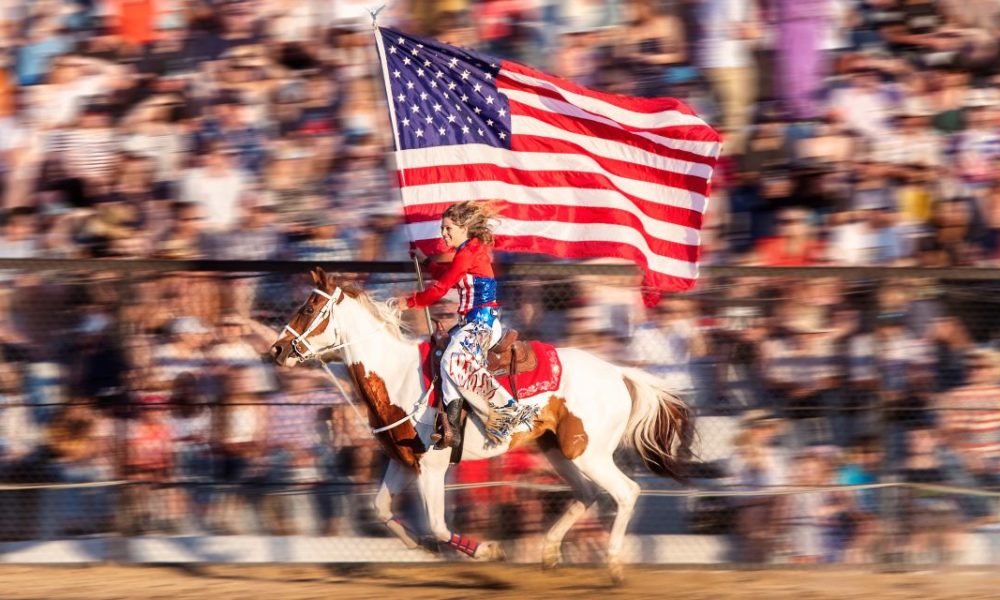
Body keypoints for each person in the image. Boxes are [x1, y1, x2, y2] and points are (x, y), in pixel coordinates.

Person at [396, 201, 537, 449]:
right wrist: (427, 262)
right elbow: (447, 276)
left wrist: (409, 302)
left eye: (448, 228)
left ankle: (510, 412)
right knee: (444, 359)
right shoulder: (467, 252)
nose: (443, 233)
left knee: (453, 360)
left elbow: (440, 289)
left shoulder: (468, 253)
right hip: (470, 322)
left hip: (482, 323)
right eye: (442, 228)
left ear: (464, 228)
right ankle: (451, 428)